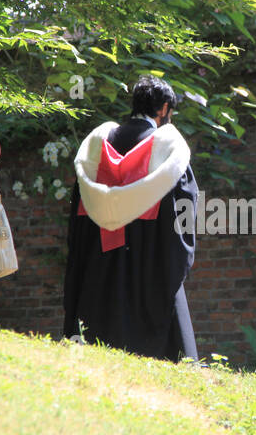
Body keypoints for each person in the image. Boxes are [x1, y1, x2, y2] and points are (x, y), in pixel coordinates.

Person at [62, 76, 198, 361]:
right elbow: (182, 220)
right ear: (163, 109)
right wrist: (176, 267)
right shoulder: (169, 154)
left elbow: (78, 222)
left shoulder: (95, 151)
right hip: (150, 272)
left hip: (98, 273)